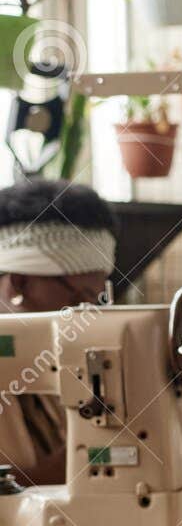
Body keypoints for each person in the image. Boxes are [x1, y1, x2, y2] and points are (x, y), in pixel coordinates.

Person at [0, 179, 118, 487]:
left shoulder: (49, 358)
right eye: (78, 297)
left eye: (95, 300)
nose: (86, 314)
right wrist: (81, 458)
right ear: (20, 283)